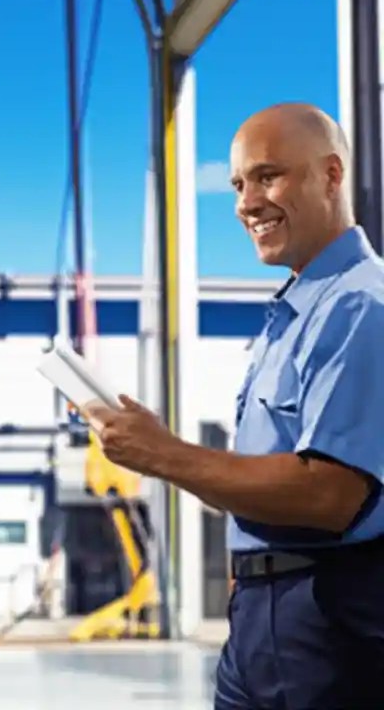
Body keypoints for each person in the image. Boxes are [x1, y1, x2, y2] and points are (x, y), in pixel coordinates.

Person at [88, 102, 384, 708]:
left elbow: (331, 493)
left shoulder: (361, 307)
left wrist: (166, 455)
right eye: (238, 184)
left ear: (331, 176)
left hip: (325, 619)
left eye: (268, 176)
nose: (247, 203)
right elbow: (259, 480)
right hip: (261, 617)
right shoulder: (294, 314)